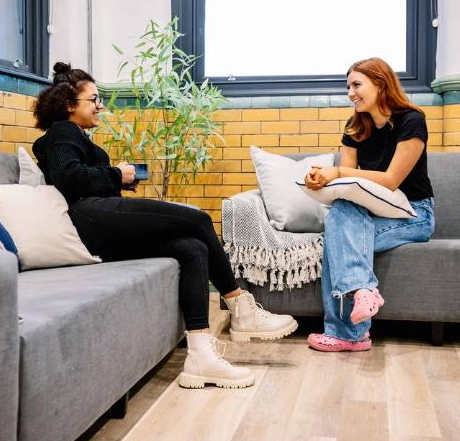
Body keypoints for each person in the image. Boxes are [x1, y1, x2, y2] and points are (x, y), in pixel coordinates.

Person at [32, 62, 298, 388]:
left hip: (97, 217)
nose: (100, 105)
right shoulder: (63, 131)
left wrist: (120, 178)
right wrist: (116, 174)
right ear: (69, 105)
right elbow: (69, 178)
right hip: (90, 217)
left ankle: (200, 356)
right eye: (94, 99)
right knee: (198, 219)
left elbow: (79, 175)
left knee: (193, 248)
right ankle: (240, 307)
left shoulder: (72, 135)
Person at [305, 57, 435, 352]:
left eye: (356, 85)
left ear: (380, 83)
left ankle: (349, 336)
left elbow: (390, 180)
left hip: (414, 214)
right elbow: (346, 186)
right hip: (374, 211)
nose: (350, 93)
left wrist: (337, 171)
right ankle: (363, 292)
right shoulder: (355, 126)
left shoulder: (412, 121)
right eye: (348, 87)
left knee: (337, 239)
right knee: (341, 213)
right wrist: (321, 179)